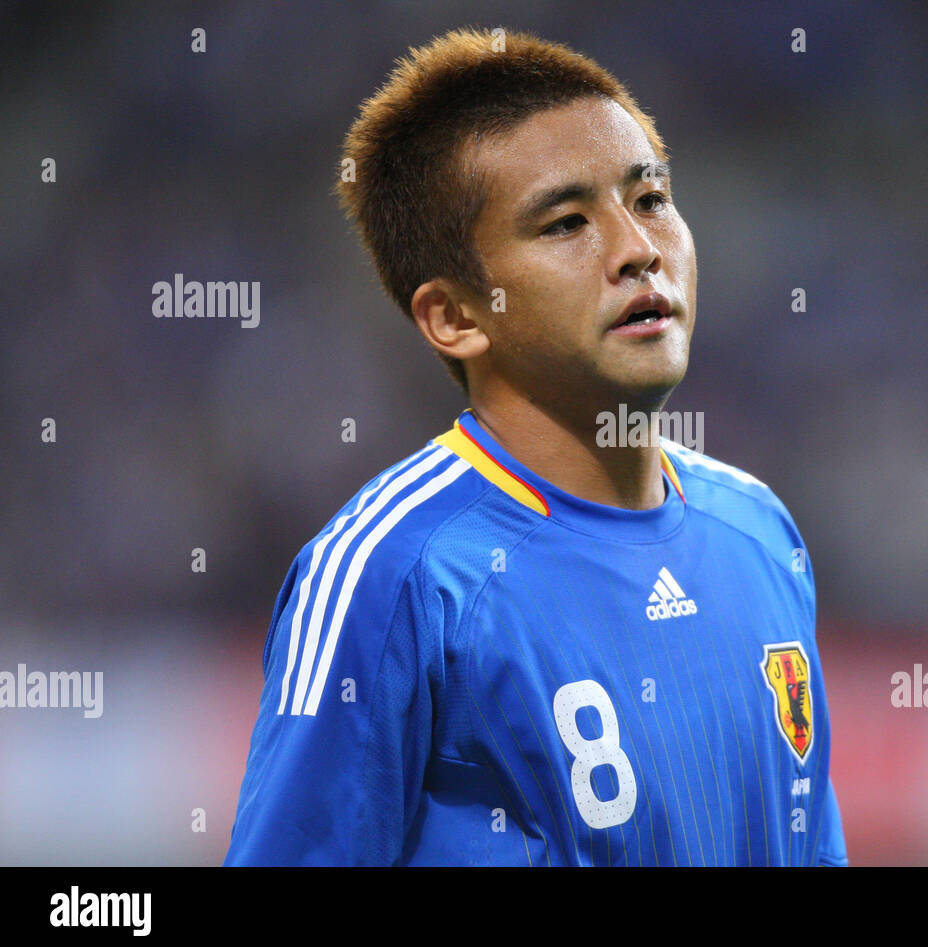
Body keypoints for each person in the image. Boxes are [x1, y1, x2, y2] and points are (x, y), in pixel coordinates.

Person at [225, 26, 847, 866]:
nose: (639, 251)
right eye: (565, 223)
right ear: (455, 317)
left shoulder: (759, 531)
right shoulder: (393, 574)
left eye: (652, 199)